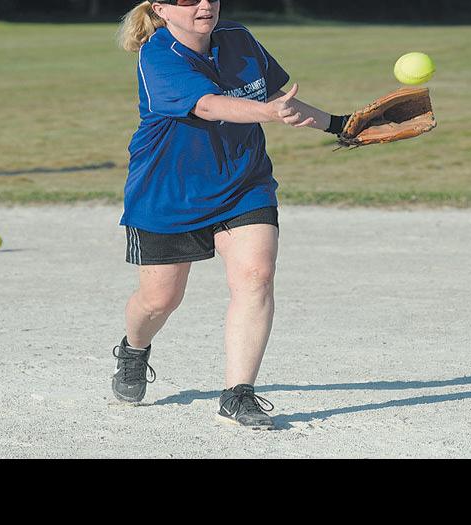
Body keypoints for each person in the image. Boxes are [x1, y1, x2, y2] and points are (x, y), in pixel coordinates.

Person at [112, 0, 348, 430]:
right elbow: (208, 106)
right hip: (169, 193)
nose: (205, 5)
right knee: (159, 301)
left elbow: (277, 98)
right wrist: (269, 113)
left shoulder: (238, 39)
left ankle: (238, 394)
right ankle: (133, 349)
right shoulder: (158, 54)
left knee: (256, 276)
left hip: (243, 182)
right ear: (162, 8)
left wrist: (341, 125)